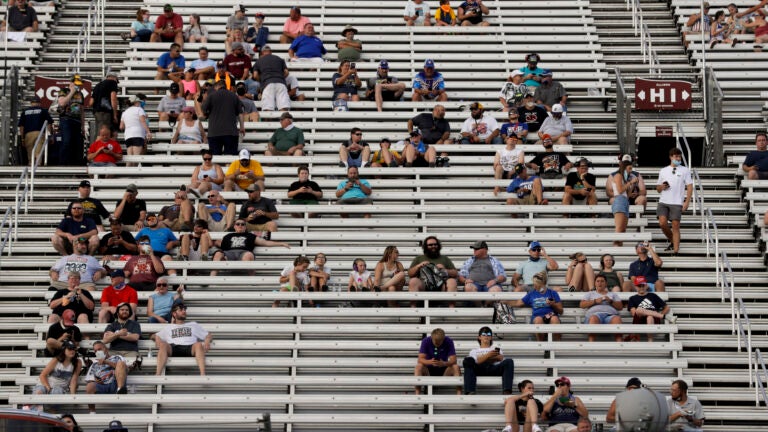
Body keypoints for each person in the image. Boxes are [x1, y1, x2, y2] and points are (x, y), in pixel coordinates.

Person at [210, 219, 290, 277]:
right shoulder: (228, 236)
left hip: (244, 253)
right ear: (234, 226)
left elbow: (265, 242)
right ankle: (211, 278)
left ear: (245, 227)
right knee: (217, 254)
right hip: (229, 254)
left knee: (248, 255)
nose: (240, 226)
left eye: (242, 224)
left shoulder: (250, 236)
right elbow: (221, 247)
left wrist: (281, 243)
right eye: (238, 224)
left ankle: (252, 279)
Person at [154, 303, 212, 376]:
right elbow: (157, 335)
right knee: (163, 345)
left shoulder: (193, 325)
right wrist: (158, 340)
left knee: (198, 344)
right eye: (181, 310)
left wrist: (207, 341)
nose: (184, 311)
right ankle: (158, 374)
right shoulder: (169, 327)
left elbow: (208, 335)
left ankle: (203, 374)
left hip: (190, 348)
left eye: (184, 310)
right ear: (174, 314)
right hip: (174, 348)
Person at [407, 236, 459, 307]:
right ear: (425, 246)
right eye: (430, 245)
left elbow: (455, 273)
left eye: (435, 244)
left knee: (452, 281)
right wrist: (418, 266)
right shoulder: (419, 258)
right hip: (424, 286)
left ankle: (452, 308)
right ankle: (413, 309)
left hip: (441, 286)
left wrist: (445, 269)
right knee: (413, 281)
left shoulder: (444, 258)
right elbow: (410, 274)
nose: (433, 246)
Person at [510, 271, 562, 341]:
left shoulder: (552, 293)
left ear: (542, 284)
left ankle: (556, 346)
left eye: (536, 285)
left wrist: (553, 304)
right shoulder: (531, 294)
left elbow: (561, 311)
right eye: (533, 284)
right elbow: (517, 303)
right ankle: (543, 347)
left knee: (554, 319)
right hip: (537, 316)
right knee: (538, 320)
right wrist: (504, 301)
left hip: (550, 315)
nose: (534, 286)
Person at [462, 326, 514, 395]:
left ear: (491, 337)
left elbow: (500, 358)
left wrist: (483, 358)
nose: (486, 336)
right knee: (468, 360)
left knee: (509, 361)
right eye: (483, 334)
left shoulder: (497, 349)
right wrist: (488, 356)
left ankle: (507, 391)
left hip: (493, 369)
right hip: (479, 369)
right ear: (479, 337)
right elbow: (474, 362)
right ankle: (470, 391)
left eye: (489, 334)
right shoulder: (474, 351)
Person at [32, 341, 81, 411]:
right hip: (47, 384)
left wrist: (73, 396)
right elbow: (43, 375)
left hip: (60, 388)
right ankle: (35, 413)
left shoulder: (77, 362)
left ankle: (52, 414)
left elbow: (74, 380)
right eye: (69, 349)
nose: (72, 351)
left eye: (73, 349)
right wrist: (47, 387)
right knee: (39, 391)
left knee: (57, 392)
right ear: (64, 349)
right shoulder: (56, 360)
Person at [201, 80, 246, 156]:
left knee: (215, 158)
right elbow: (240, 113)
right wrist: (242, 127)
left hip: (214, 132)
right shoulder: (234, 96)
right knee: (230, 159)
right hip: (231, 132)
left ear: (217, 86)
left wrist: (204, 99)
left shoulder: (211, 96)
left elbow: (204, 110)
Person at [85, 341, 129, 413]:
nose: (97, 352)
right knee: (90, 385)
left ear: (106, 349)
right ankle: (92, 412)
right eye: (95, 351)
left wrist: (106, 361)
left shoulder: (117, 357)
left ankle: (120, 390)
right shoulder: (94, 364)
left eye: (99, 349)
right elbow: (90, 380)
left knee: (120, 363)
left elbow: (125, 369)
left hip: (115, 383)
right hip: (102, 385)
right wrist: (96, 380)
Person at [609, 155, 644, 246]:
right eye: (629, 168)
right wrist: (630, 182)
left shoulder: (625, 178)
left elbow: (627, 195)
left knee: (623, 230)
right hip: (619, 200)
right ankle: (615, 248)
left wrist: (632, 186)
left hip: (625, 201)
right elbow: (620, 190)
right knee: (619, 228)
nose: (630, 170)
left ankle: (619, 248)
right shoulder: (618, 175)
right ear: (624, 168)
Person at [414, 328, 460, 395]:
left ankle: (459, 394)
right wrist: (430, 362)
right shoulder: (426, 341)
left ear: (443, 339)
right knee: (418, 366)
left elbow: (453, 360)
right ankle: (417, 394)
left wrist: (444, 363)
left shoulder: (449, 341)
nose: (437, 343)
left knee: (455, 367)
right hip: (429, 370)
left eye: (439, 342)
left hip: (443, 369)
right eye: (435, 341)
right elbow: (420, 359)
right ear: (431, 338)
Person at [628, 276, 673, 342]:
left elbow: (667, 307)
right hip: (640, 319)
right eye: (639, 286)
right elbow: (634, 313)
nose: (641, 288)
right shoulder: (632, 298)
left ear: (646, 285)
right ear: (635, 287)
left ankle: (650, 339)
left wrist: (655, 315)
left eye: (643, 285)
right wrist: (645, 312)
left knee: (650, 317)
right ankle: (664, 317)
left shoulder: (653, 296)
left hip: (654, 319)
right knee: (639, 310)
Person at [580, 274, 623, 342]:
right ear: (595, 283)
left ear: (606, 283)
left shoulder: (613, 294)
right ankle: (591, 347)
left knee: (617, 319)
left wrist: (610, 301)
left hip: (610, 316)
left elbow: (620, 307)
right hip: (595, 315)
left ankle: (620, 346)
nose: (600, 283)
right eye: (598, 281)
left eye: (602, 281)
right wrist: (595, 301)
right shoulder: (590, 294)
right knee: (593, 318)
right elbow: (582, 305)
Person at [56, 77, 86, 166]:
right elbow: (62, 103)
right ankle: (62, 163)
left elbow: (82, 110)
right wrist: (72, 91)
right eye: (77, 83)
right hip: (66, 119)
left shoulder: (80, 94)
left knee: (77, 143)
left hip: (77, 121)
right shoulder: (64, 91)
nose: (78, 85)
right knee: (67, 141)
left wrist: (83, 126)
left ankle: (74, 164)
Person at [252, 45, 291, 111]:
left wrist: (261, 80)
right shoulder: (279, 59)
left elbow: (255, 75)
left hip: (267, 84)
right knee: (283, 107)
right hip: (281, 83)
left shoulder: (259, 61)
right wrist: (280, 77)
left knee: (268, 108)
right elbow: (286, 72)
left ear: (262, 52)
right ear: (271, 52)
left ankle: (269, 121)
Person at [17, 95, 53, 163]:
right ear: (39, 103)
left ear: (31, 103)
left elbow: (21, 126)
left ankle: (30, 167)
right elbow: (49, 124)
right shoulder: (43, 110)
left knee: (30, 154)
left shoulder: (25, 112)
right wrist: (49, 135)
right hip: (40, 133)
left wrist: (22, 138)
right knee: (38, 153)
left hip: (28, 134)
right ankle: (38, 167)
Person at [120, 93, 152, 166]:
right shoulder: (139, 109)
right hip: (138, 134)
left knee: (129, 156)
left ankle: (127, 173)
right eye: (139, 102)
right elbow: (143, 121)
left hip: (128, 135)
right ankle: (134, 174)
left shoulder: (124, 112)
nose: (140, 103)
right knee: (136, 157)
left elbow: (121, 126)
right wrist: (148, 132)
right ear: (135, 102)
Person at [92, 72, 120, 136]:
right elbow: (113, 98)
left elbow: (91, 101)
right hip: (105, 112)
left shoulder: (97, 85)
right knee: (103, 133)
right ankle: (97, 146)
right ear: (114, 78)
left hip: (97, 112)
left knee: (99, 131)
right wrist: (115, 114)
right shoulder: (112, 83)